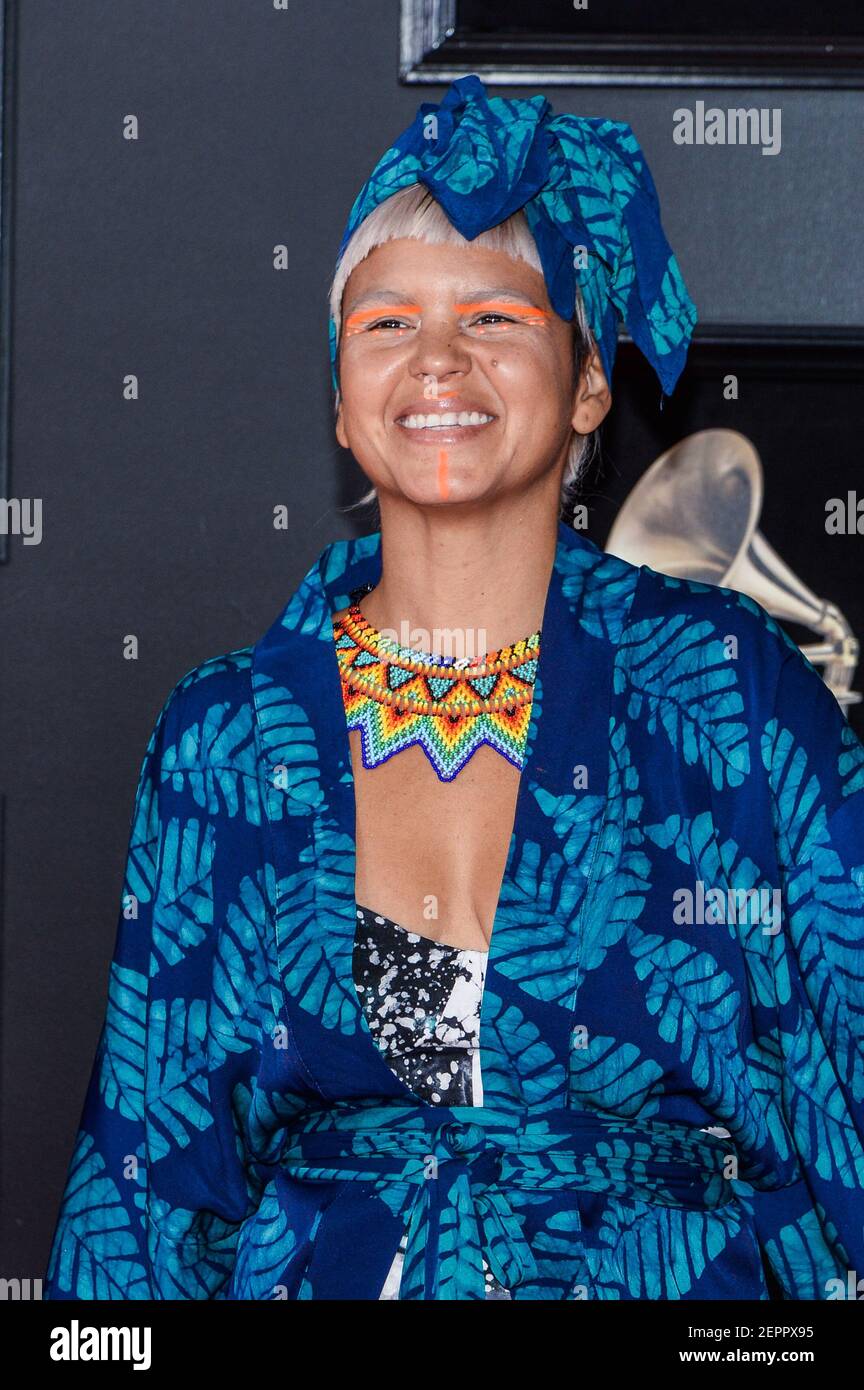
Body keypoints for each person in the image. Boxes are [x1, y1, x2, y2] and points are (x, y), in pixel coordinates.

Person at [44, 75, 864, 1301]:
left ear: (589, 380)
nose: (436, 360)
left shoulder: (734, 693)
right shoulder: (224, 735)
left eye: (493, 317)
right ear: (338, 395)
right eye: (385, 324)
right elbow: (149, 1192)